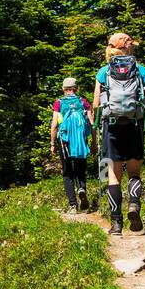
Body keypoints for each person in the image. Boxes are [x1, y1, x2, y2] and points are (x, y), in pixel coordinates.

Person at [92, 33, 145, 237]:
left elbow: (95, 103)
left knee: (113, 177)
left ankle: (116, 225)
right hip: (134, 124)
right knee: (134, 172)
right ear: (127, 48)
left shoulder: (104, 71)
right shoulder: (141, 70)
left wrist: (96, 125)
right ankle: (134, 206)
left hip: (111, 127)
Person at [51, 77, 93, 212]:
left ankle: (73, 205)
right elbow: (92, 124)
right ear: (76, 88)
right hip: (81, 140)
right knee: (80, 168)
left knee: (67, 172)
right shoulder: (83, 102)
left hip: (65, 141)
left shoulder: (59, 103)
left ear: (64, 89)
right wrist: (94, 144)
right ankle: (81, 188)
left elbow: (54, 125)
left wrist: (52, 143)